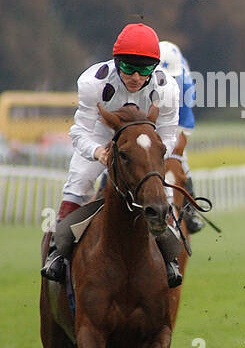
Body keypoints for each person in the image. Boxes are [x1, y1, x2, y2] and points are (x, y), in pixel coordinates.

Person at [41, 22, 185, 288]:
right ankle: (56, 253)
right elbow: (78, 131)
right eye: (129, 68)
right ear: (117, 62)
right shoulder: (92, 82)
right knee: (80, 180)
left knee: (159, 191)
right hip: (100, 136)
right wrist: (98, 153)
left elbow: (167, 135)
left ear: (154, 68)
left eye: (144, 70)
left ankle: (169, 257)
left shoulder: (168, 89)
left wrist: (153, 156)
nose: (136, 77)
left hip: (143, 143)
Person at [158, 40, 204, 233]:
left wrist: (171, 154)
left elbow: (183, 130)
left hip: (174, 123)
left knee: (179, 161)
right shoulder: (141, 77)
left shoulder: (185, 87)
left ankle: (190, 208)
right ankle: (103, 189)